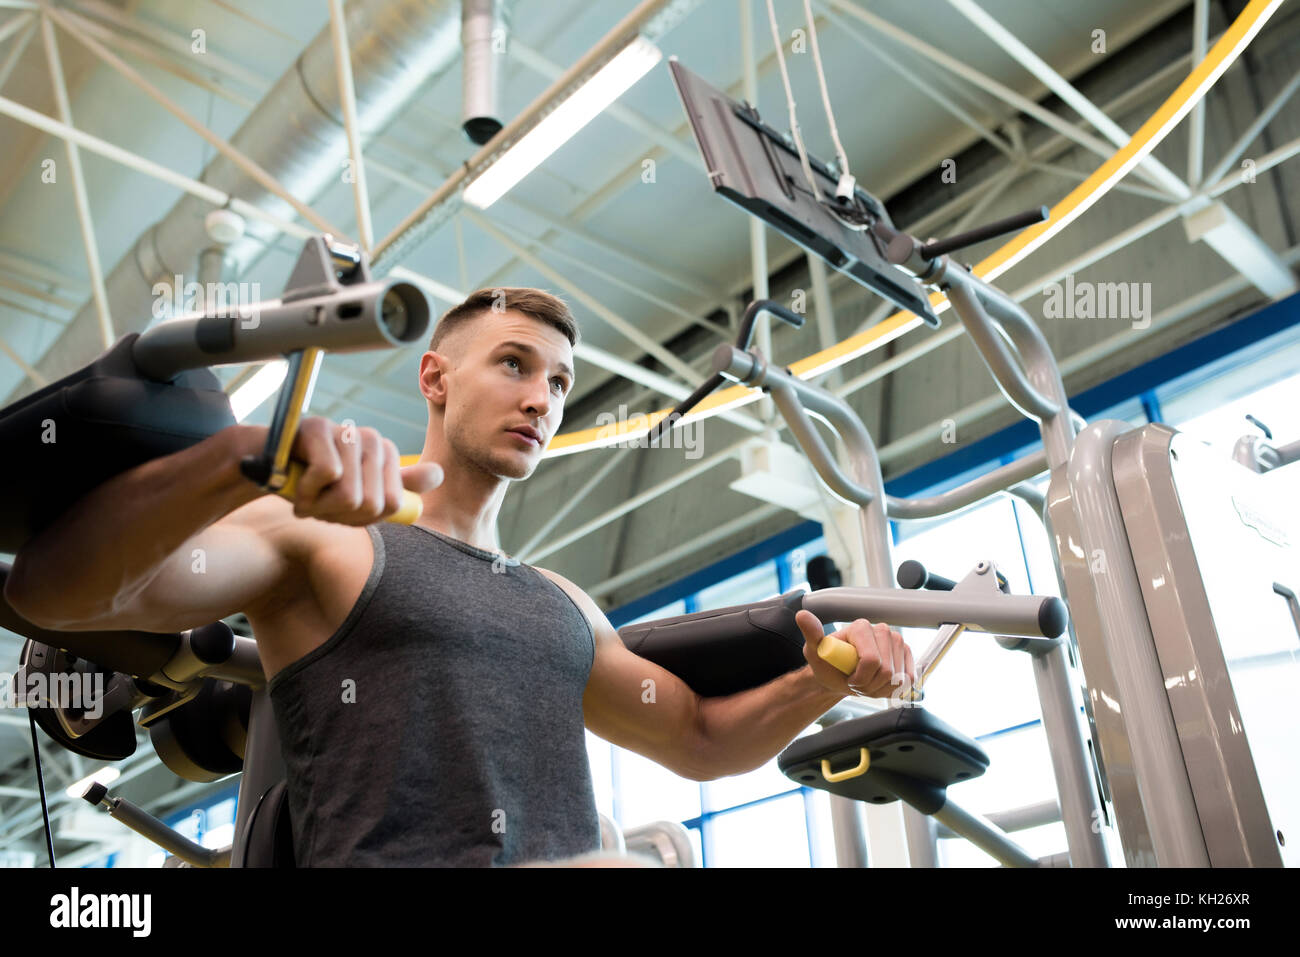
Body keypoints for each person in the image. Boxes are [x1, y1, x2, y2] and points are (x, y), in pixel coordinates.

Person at [5, 287, 914, 867]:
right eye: (514, 364)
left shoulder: (562, 604)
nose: (540, 399)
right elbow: (49, 596)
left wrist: (817, 683)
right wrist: (240, 457)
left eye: (559, 384)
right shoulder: (329, 540)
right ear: (434, 378)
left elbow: (699, 740)